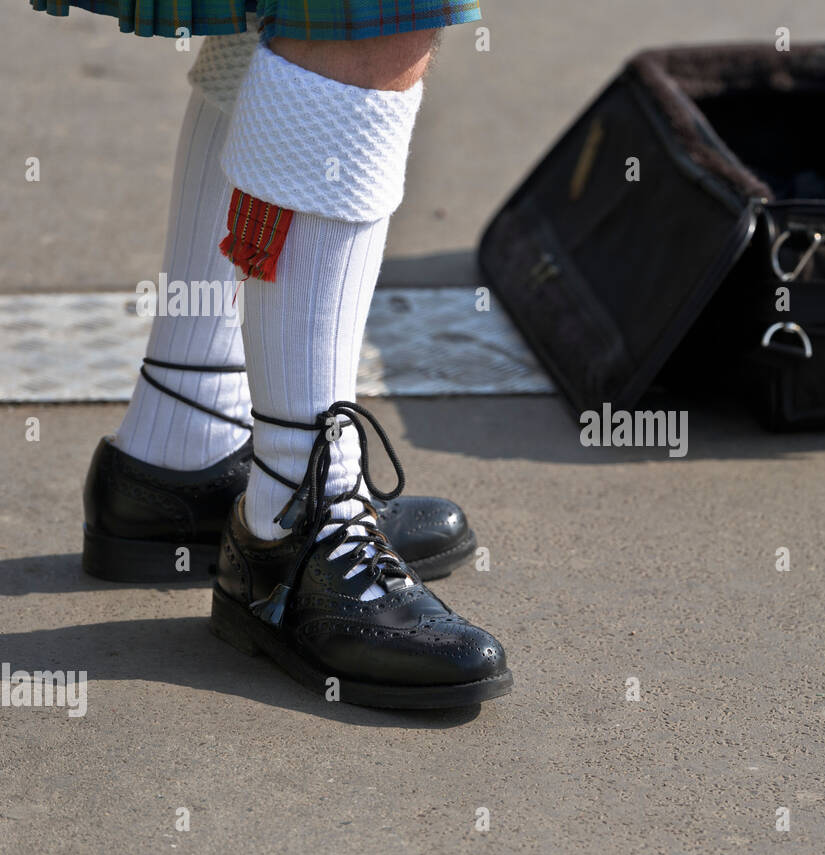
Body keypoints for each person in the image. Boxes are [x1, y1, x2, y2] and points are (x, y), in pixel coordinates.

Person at [33, 1, 512, 709]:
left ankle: (185, 440)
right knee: (366, 18)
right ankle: (296, 515)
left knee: (263, 12)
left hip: (188, 432)